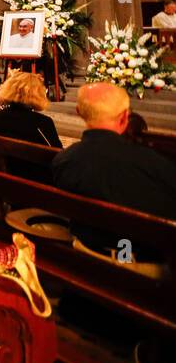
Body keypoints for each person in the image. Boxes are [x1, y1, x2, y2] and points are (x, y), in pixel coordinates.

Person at [52, 82, 176, 260]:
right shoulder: (154, 165)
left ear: (79, 112)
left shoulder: (63, 160)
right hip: (141, 264)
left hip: (84, 250)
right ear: (124, 117)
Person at [0, 71, 62, 182]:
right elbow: (57, 155)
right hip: (39, 182)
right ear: (36, 93)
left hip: (10, 177)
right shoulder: (42, 122)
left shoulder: (0, 116)